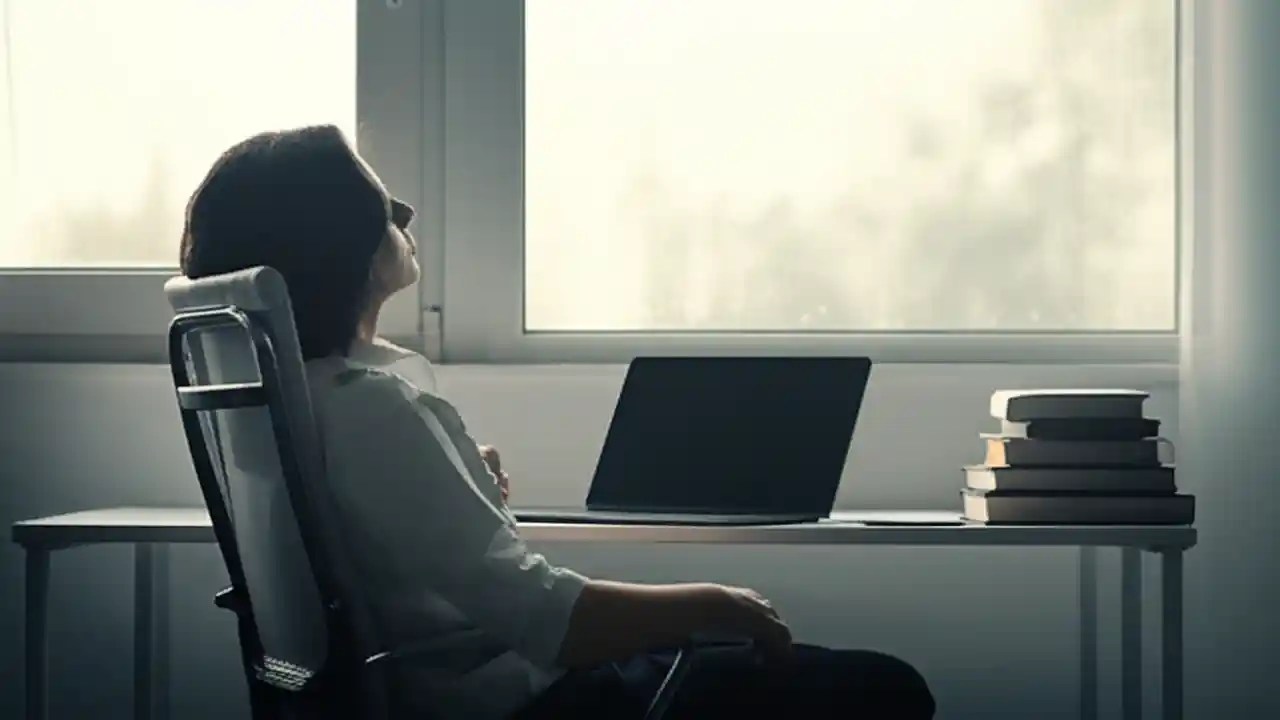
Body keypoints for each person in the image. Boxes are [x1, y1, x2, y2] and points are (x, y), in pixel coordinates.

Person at [179, 125, 935, 720]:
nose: (405, 217)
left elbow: (391, 562)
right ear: (339, 245)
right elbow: (548, 621)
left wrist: (461, 486)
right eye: (382, 206)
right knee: (884, 688)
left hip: (422, 692)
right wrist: (716, 603)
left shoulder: (300, 407)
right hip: (515, 702)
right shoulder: (371, 409)